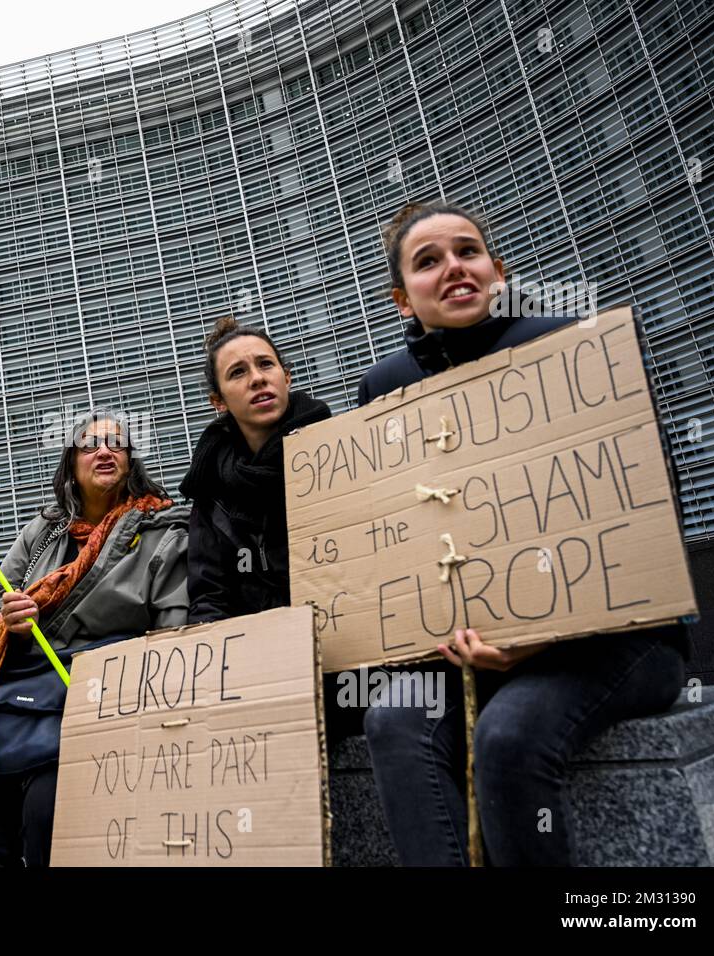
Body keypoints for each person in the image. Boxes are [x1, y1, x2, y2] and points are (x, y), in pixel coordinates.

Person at [358, 199, 687, 866]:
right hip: (466, 652)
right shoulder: (383, 390)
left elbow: (648, 505)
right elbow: (395, 544)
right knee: (392, 718)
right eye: (428, 261)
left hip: (616, 641)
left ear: (497, 270)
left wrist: (538, 635)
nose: (453, 267)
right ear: (402, 298)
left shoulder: (572, 345)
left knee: (507, 735)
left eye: (467, 252)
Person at [0, 410, 191, 867]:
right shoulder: (41, 532)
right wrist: (6, 620)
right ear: (71, 466)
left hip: (100, 711)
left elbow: (176, 635)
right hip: (15, 710)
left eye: (117, 443)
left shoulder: (163, 531)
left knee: (49, 814)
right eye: (89, 444)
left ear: (131, 462)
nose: (104, 450)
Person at [179, 315, 332, 622]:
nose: (257, 378)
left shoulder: (336, 453)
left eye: (266, 364)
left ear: (286, 377)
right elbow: (209, 597)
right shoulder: (210, 492)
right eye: (238, 372)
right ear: (218, 401)